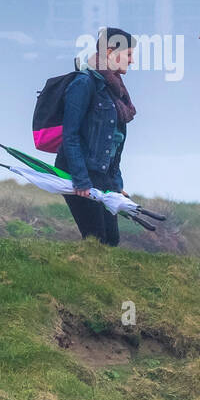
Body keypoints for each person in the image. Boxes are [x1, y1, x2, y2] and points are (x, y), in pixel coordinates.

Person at [55, 27, 138, 246]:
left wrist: (117, 184)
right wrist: (80, 180)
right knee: (97, 239)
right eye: (129, 54)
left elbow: (114, 141)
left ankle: (97, 278)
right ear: (110, 51)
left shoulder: (114, 88)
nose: (132, 61)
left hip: (102, 176)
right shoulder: (83, 83)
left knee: (111, 240)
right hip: (77, 172)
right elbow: (70, 135)